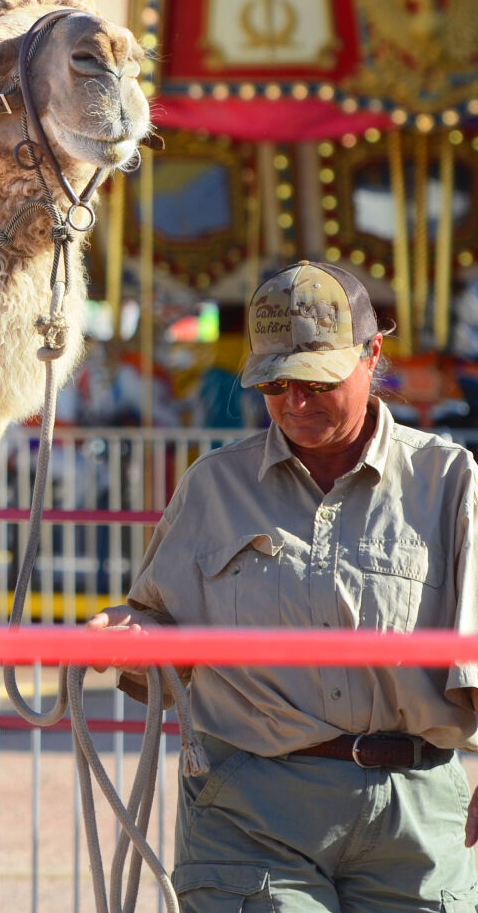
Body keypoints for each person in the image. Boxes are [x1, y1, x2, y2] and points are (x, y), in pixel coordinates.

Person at [89, 260, 478, 910]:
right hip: (252, 811)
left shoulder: (451, 482)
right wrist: (130, 636)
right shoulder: (213, 486)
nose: (294, 401)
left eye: (314, 380)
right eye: (274, 382)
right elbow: (166, 630)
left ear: (372, 352)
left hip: (416, 812)